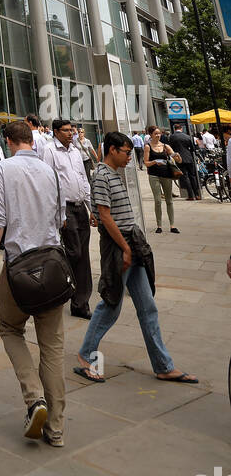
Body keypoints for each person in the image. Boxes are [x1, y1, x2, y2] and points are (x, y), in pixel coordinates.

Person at [75, 132, 197, 386]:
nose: (130, 156)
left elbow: (103, 213)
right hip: (119, 247)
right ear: (111, 150)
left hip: (132, 243)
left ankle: (163, 366)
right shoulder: (101, 175)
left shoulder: (116, 174)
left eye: (131, 152)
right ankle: (86, 356)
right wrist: (125, 249)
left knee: (147, 307)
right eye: (126, 152)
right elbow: (106, 217)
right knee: (110, 305)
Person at [0, 118, 67, 446]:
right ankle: (57, 430)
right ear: (32, 140)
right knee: (53, 347)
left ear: (8, 140)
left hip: (19, 267)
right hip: (50, 264)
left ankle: (35, 399)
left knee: (10, 329)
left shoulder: (3, 169)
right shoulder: (50, 171)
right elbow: (61, 217)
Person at [43, 118, 96, 318]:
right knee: (74, 254)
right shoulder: (49, 151)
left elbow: (83, 179)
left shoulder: (75, 151)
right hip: (65, 210)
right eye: (65, 130)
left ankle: (81, 302)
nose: (70, 133)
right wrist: (59, 213)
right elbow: (48, 181)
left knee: (83, 255)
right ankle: (67, 293)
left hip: (80, 207)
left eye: (71, 130)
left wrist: (92, 209)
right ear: (56, 132)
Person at [144, 123, 180, 233]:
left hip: (166, 174)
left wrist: (177, 156)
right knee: (158, 200)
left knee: (169, 200)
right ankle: (159, 225)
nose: (158, 135)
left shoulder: (165, 146)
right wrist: (154, 162)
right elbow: (146, 163)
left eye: (159, 133)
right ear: (150, 134)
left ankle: (172, 225)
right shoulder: (147, 147)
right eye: (155, 134)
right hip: (154, 175)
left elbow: (176, 159)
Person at [169, 125, 200, 200]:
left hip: (179, 158)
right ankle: (197, 194)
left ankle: (190, 195)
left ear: (174, 129)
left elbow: (171, 148)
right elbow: (192, 148)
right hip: (189, 158)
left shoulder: (172, 137)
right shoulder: (187, 136)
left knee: (185, 176)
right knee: (192, 176)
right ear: (181, 128)